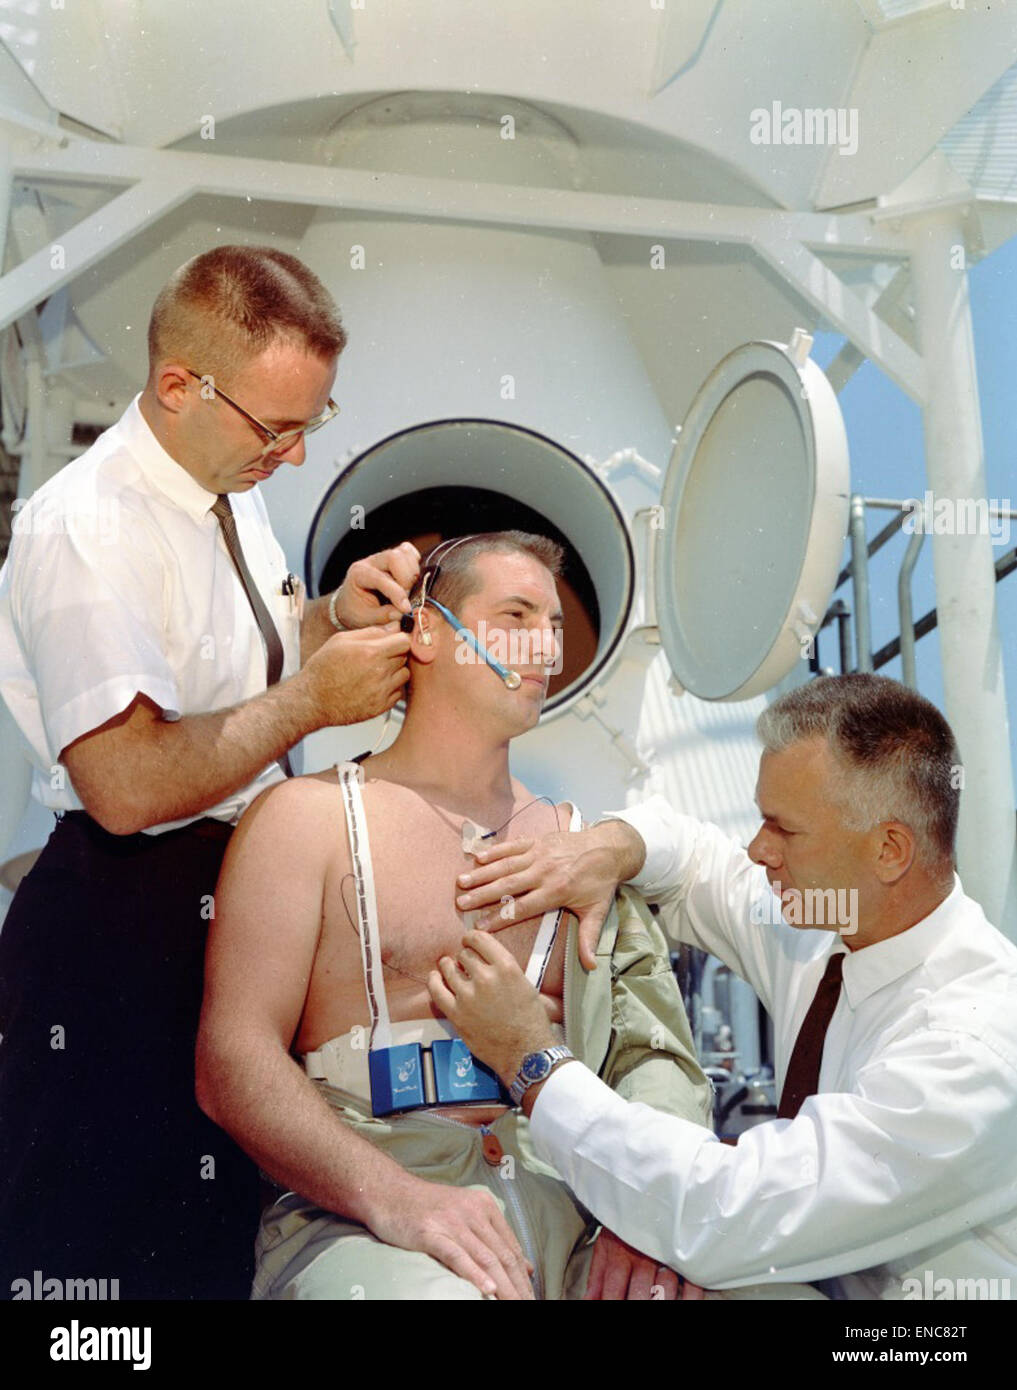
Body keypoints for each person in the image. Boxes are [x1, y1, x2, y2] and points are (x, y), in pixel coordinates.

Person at [0, 245, 419, 1299]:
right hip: (121, 922)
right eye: (274, 428)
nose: (290, 456)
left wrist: (327, 616)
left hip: (221, 902)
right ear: (179, 385)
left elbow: (233, 659)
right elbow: (127, 781)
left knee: (200, 1248)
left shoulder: (225, 477)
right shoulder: (86, 527)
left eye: (308, 426)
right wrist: (315, 700)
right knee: (89, 1268)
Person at [195, 532, 714, 1301]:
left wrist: (645, 1223)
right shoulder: (303, 820)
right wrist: (399, 1202)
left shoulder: (586, 853)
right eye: (515, 615)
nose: (543, 646)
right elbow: (233, 1064)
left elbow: (652, 1064)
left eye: (554, 628)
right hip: (371, 1221)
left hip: (577, 1214)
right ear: (429, 629)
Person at [435, 674, 1017, 1299]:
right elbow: (693, 862)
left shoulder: (974, 1045)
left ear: (888, 850)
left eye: (784, 828)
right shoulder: (830, 923)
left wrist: (532, 1061)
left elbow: (728, 1215)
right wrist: (608, 847)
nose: (758, 849)